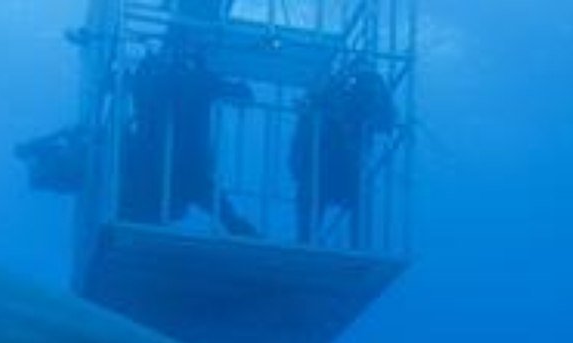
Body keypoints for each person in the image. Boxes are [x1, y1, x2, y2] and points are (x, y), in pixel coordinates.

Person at [120, 41, 258, 236]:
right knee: (210, 198)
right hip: (184, 162)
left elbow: (240, 94)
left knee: (204, 196)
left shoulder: (156, 79)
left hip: (159, 161)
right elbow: (242, 94)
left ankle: (237, 226)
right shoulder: (197, 79)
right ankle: (238, 227)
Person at [291, 63, 396, 247]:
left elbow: (387, 120)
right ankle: (350, 245)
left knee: (332, 197)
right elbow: (387, 121)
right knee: (326, 196)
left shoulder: (357, 87)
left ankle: (311, 242)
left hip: (339, 161)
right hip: (329, 160)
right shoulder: (333, 89)